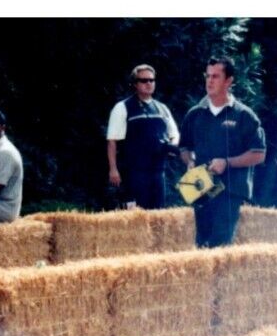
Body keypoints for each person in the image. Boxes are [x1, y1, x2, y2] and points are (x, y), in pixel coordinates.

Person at [179, 56, 267, 249]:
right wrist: (189, 160)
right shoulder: (194, 114)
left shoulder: (244, 115)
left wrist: (227, 162)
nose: (209, 81)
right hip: (200, 186)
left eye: (216, 76)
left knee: (219, 246)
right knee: (201, 245)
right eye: (208, 76)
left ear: (229, 81)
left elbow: (259, 154)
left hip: (230, 190)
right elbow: (184, 147)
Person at [106, 64, 180, 210]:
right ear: (135, 83)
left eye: (152, 80)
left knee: (158, 216)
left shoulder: (162, 108)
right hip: (134, 173)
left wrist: (172, 146)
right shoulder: (122, 107)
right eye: (144, 80)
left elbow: (175, 134)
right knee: (135, 217)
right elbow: (112, 141)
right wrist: (113, 169)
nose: (149, 84)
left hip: (158, 172)